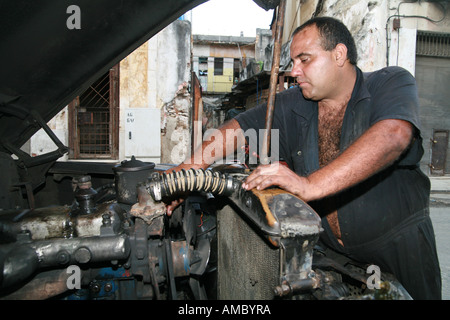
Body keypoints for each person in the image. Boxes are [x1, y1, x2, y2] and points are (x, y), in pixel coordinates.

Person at [166, 17, 441, 300]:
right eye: (293, 61)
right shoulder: (294, 103)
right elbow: (237, 130)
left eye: (304, 59)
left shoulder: (390, 82)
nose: (295, 70)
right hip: (331, 258)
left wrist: (308, 185)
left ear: (339, 54)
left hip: (399, 253)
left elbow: (393, 136)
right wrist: (186, 172)